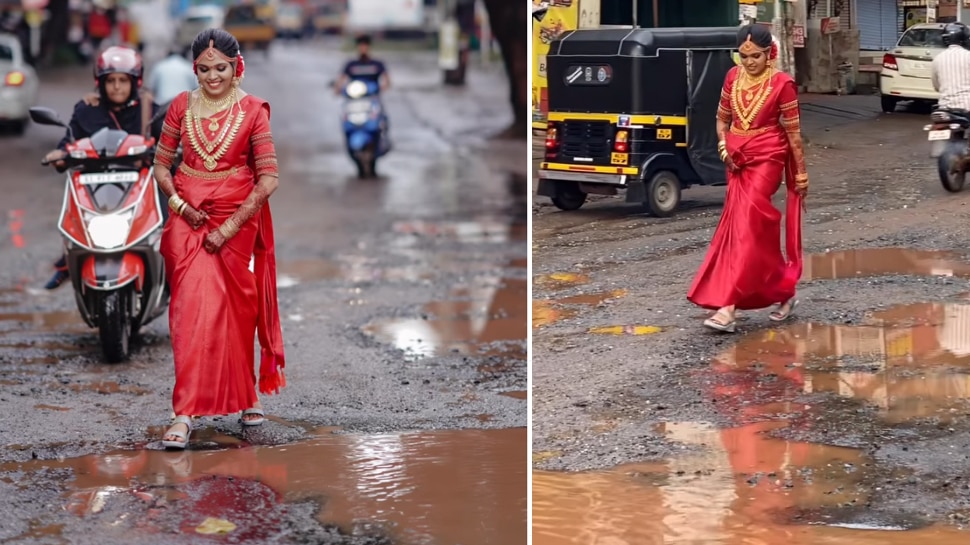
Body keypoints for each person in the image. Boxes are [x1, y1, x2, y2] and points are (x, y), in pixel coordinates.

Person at [152, 28, 286, 449]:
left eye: (221, 68)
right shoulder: (180, 106)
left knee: (236, 310)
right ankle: (184, 412)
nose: (213, 76)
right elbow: (160, 168)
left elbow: (269, 179)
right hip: (187, 221)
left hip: (236, 222)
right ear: (195, 68)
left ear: (236, 66)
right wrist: (180, 207)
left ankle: (246, 394)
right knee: (188, 312)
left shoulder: (252, 111)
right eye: (205, 69)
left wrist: (228, 228)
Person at [685, 24, 809, 333]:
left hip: (768, 155)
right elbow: (722, 118)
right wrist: (723, 144)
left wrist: (801, 171)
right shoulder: (732, 77)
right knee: (743, 228)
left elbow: (793, 134)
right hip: (736, 155)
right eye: (743, 55)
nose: (748, 61)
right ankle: (783, 289)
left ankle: (728, 306)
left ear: (769, 54)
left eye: (755, 56)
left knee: (747, 222)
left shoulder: (783, 84)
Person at [43, 45, 164, 290]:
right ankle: (68, 261)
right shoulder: (87, 109)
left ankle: (171, 276)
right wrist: (59, 154)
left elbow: (169, 140)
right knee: (72, 216)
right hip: (94, 184)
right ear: (100, 82)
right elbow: (68, 140)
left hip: (140, 183)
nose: (116, 86)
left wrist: (171, 153)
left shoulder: (149, 109)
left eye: (123, 80)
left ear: (135, 81)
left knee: (171, 226)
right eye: (110, 80)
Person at [932, 22, 970, 112]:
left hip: (944, 108)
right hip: (966, 107)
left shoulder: (937, 58)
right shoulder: (968, 56)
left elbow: (936, 85)